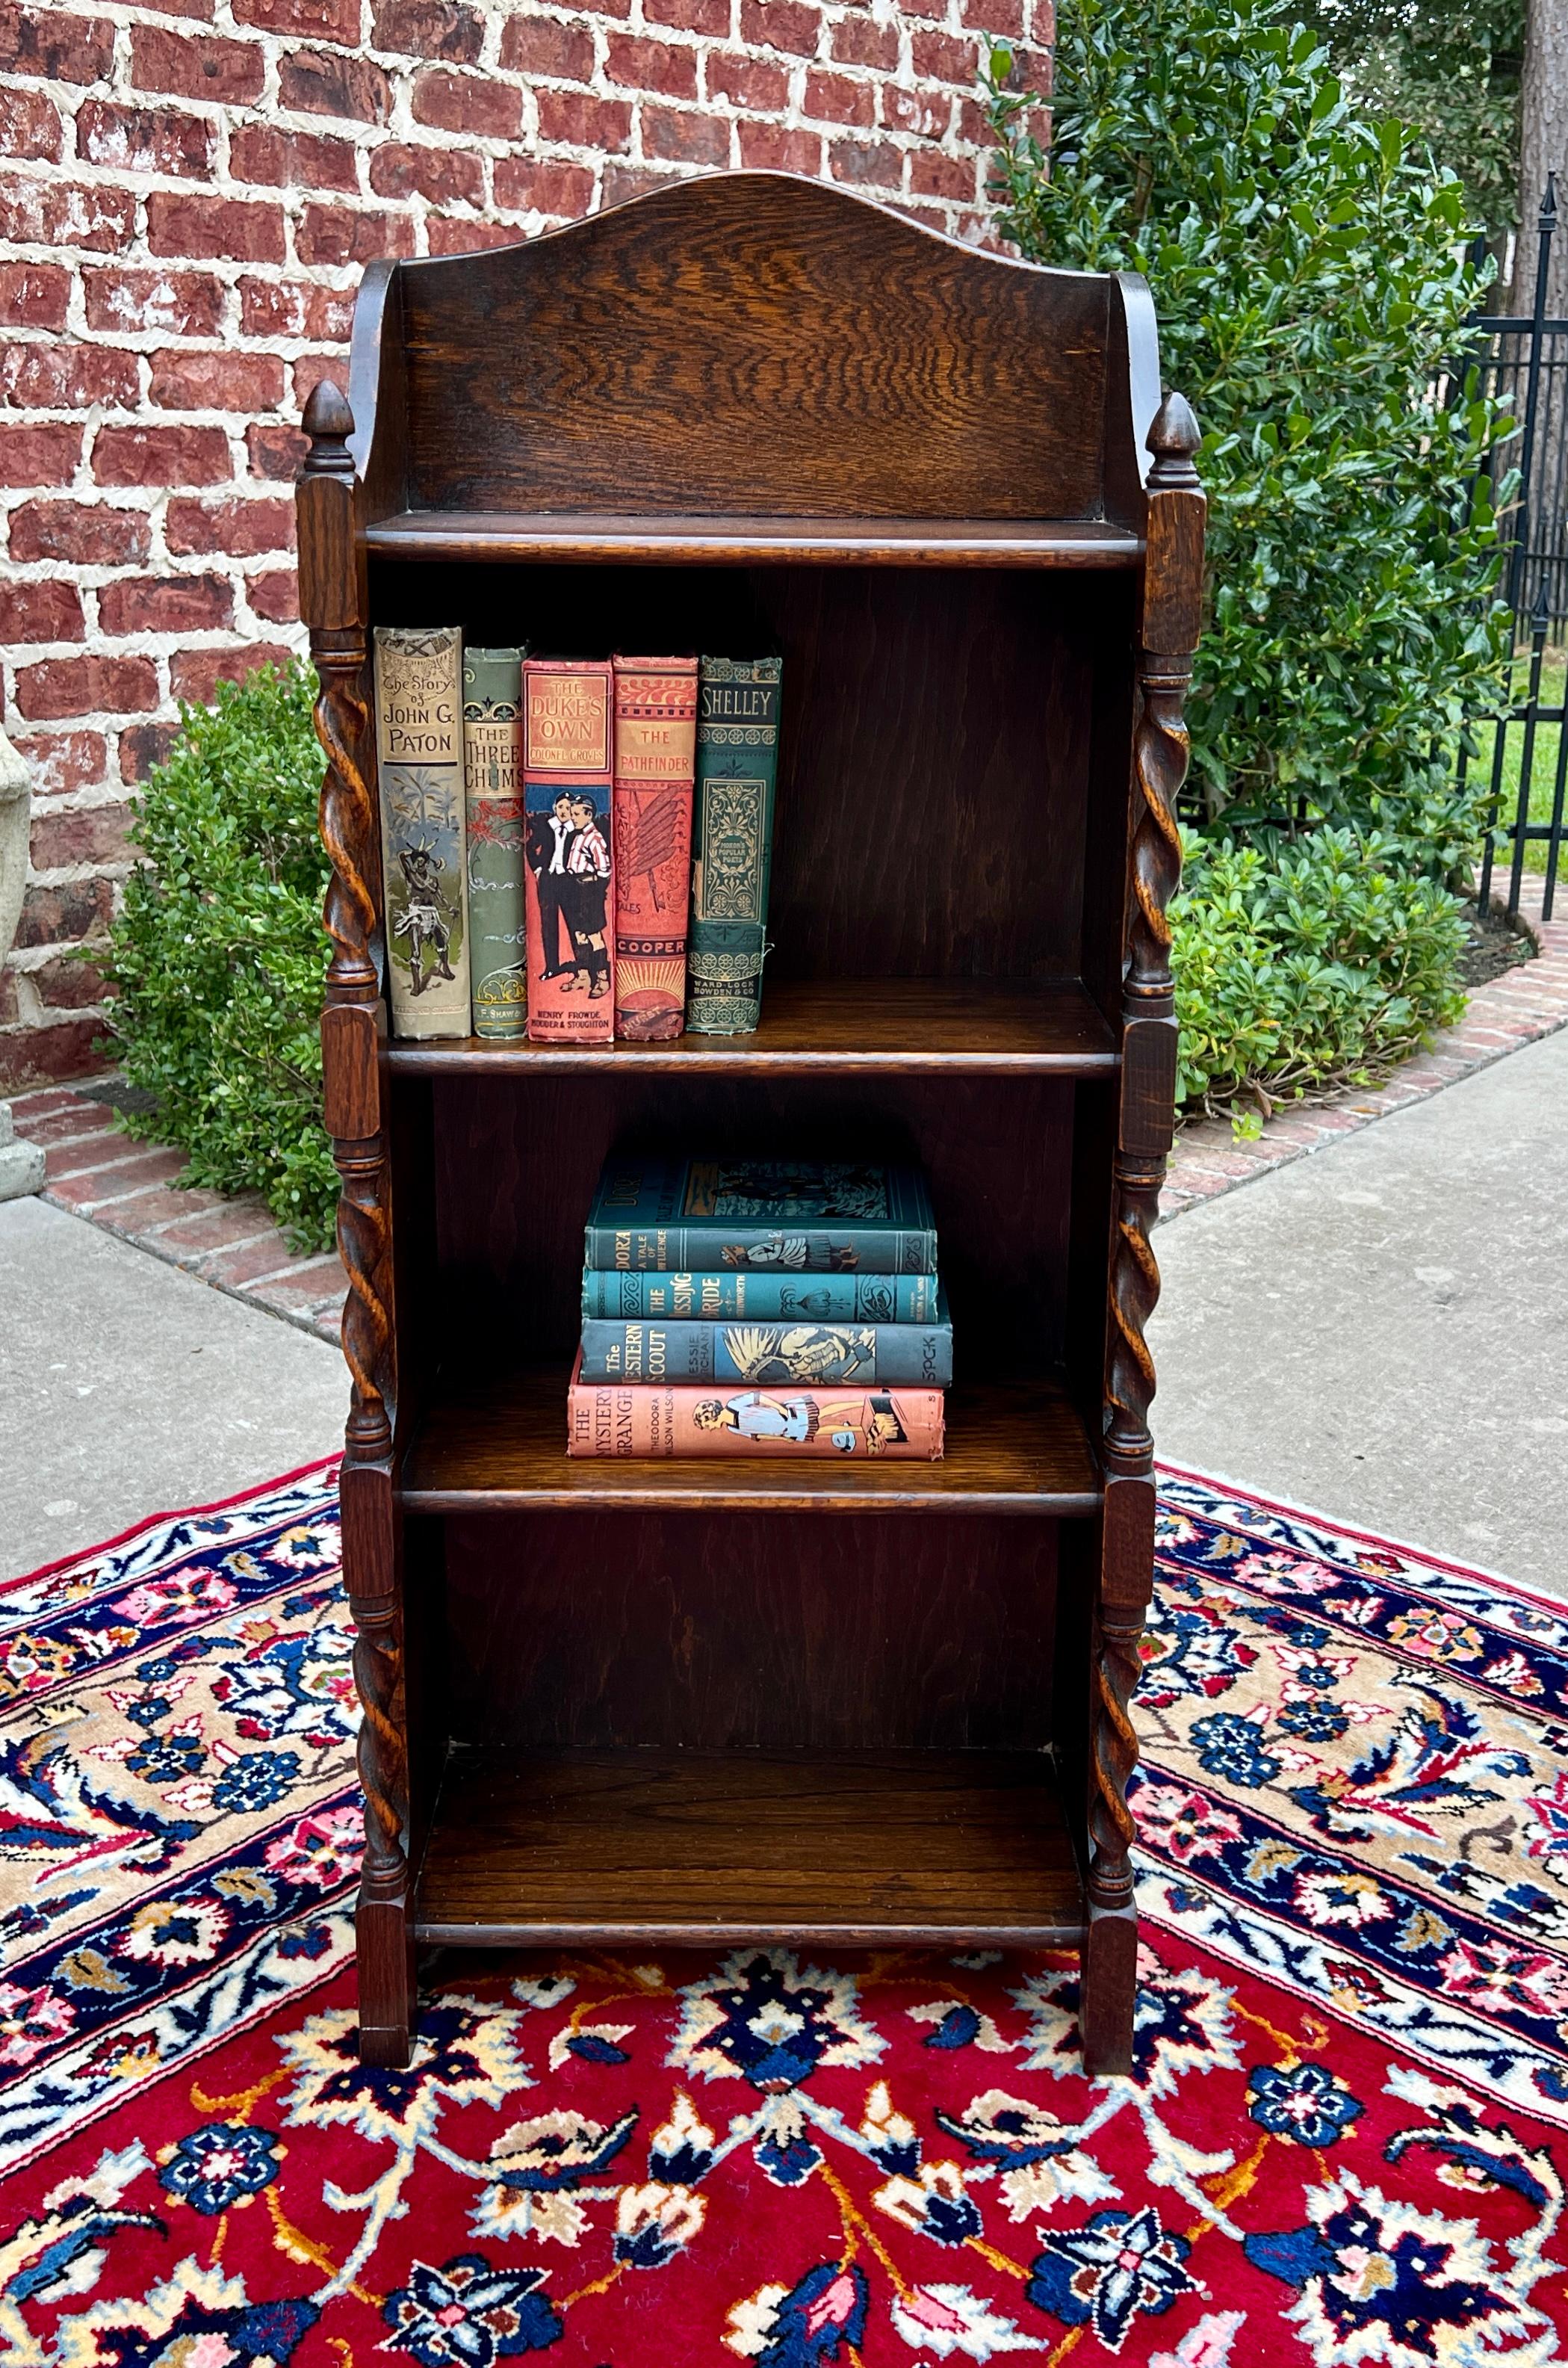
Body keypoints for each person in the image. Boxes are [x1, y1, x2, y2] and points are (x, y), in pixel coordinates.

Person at [563, 792, 612, 999]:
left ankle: (602, 979)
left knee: (594, 936)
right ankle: (584, 975)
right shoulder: (578, 835)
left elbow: (604, 869)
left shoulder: (595, 838)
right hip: (576, 888)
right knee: (579, 935)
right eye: (571, 813)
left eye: (576, 814)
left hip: (590, 890)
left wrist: (593, 889)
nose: (572, 817)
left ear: (589, 815)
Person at [526, 791, 577, 980]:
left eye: (569, 808)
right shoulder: (546, 827)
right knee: (548, 924)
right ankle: (551, 967)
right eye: (562, 807)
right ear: (555, 808)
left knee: (575, 922)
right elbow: (531, 847)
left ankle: (582, 966)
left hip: (569, 882)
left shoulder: (576, 830)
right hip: (548, 880)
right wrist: (539, 870)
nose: (565, 811)